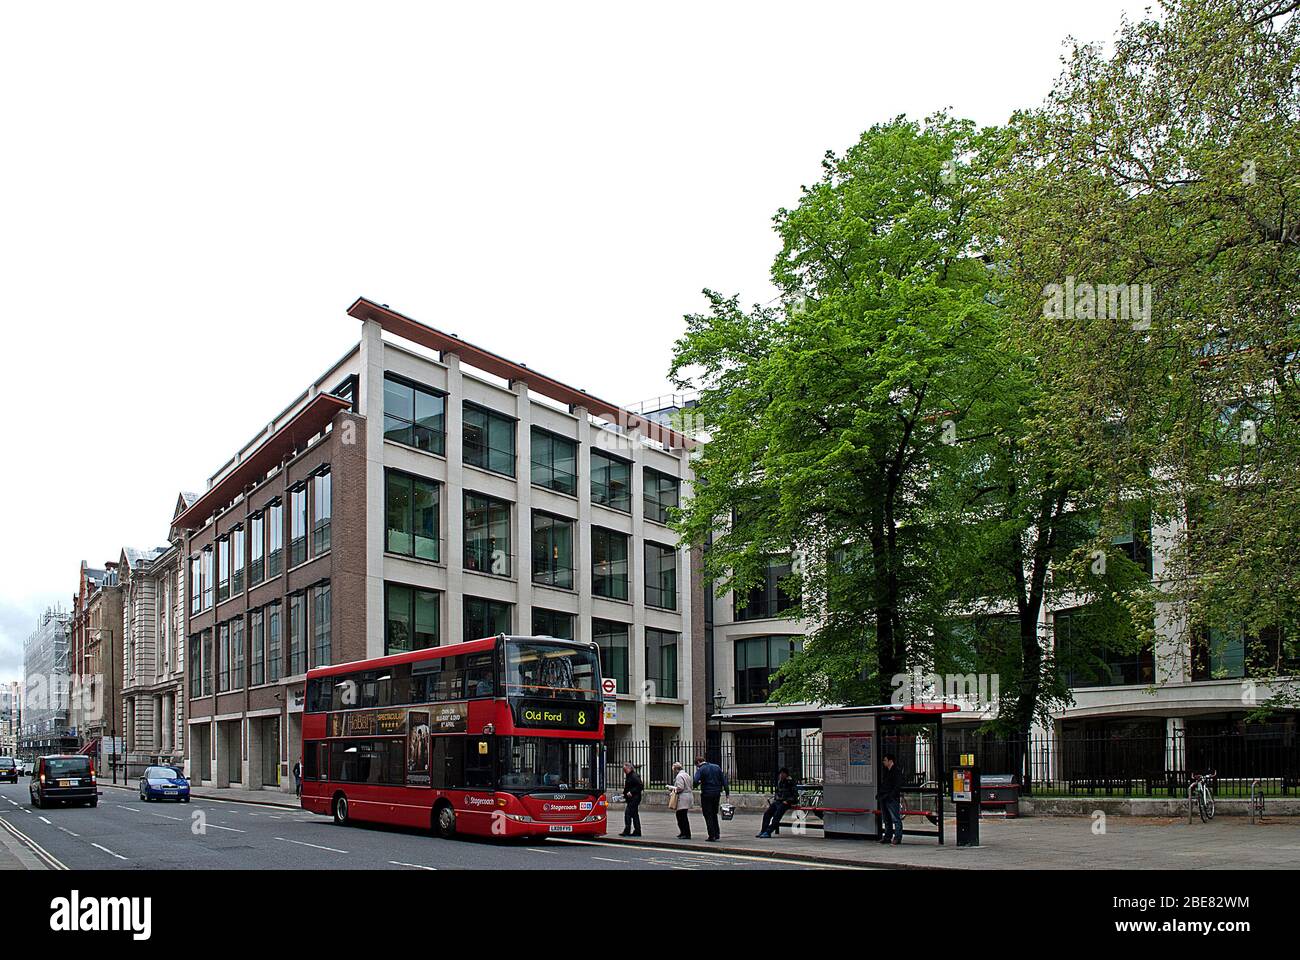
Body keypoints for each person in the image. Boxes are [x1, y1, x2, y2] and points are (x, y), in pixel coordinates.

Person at [692, 755, 730, 841]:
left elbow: (695, 781)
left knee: (708, 815)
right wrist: (727, 792)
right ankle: (717, 833)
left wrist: (696, 784)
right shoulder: (717, 767)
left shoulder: (701, 769)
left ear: (698, 763)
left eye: (696, 765)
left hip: (706, 794)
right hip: (716, 793)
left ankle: (711, 835)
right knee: (714, 814)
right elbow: (724, 780)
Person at [756, 767, 799, 838]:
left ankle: (768, 831)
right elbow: (777, 792)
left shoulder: (790, 782)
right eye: (780, 774)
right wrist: (776, 799)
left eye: (782, 774)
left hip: (786, 802)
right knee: (767, 814)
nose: (781, 775)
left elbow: (795, 795)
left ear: (786, 774)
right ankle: (763, 830)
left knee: (776, 816)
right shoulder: (780, 782)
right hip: (778, 801)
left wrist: (787, 801)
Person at [878, 752, 903, 844]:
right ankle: (887, 836)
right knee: (886, 818)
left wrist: (891, 795)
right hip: (884, 797)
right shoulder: (887, 771)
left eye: (885, 760)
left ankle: (897, 837)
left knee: (895, 818)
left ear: (890, 761)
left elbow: (897, 785)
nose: (883, 762)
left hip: (891, 798)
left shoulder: (896, 771)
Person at [619, 761, 643, 837]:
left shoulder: (634, 776)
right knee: (634, 814)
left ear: (629, 768)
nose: (624, 771)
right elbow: (628, 787)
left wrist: (631, 792)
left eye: (625, 769)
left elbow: (640, 786)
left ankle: (627, 830)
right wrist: (624, 795)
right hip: (633, 798)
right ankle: (637, 831)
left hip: (634, 798)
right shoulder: (630, 775)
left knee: (628, 813)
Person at [669, 761, 693, 838]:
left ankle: (685, 833)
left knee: (681, 816)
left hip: (682, 798)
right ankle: (684, 832)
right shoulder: (686, 774)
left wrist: (671, 788)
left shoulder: (679, 776)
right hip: (688, 796)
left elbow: (680, 788)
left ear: (676, 769)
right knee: (683, 815)